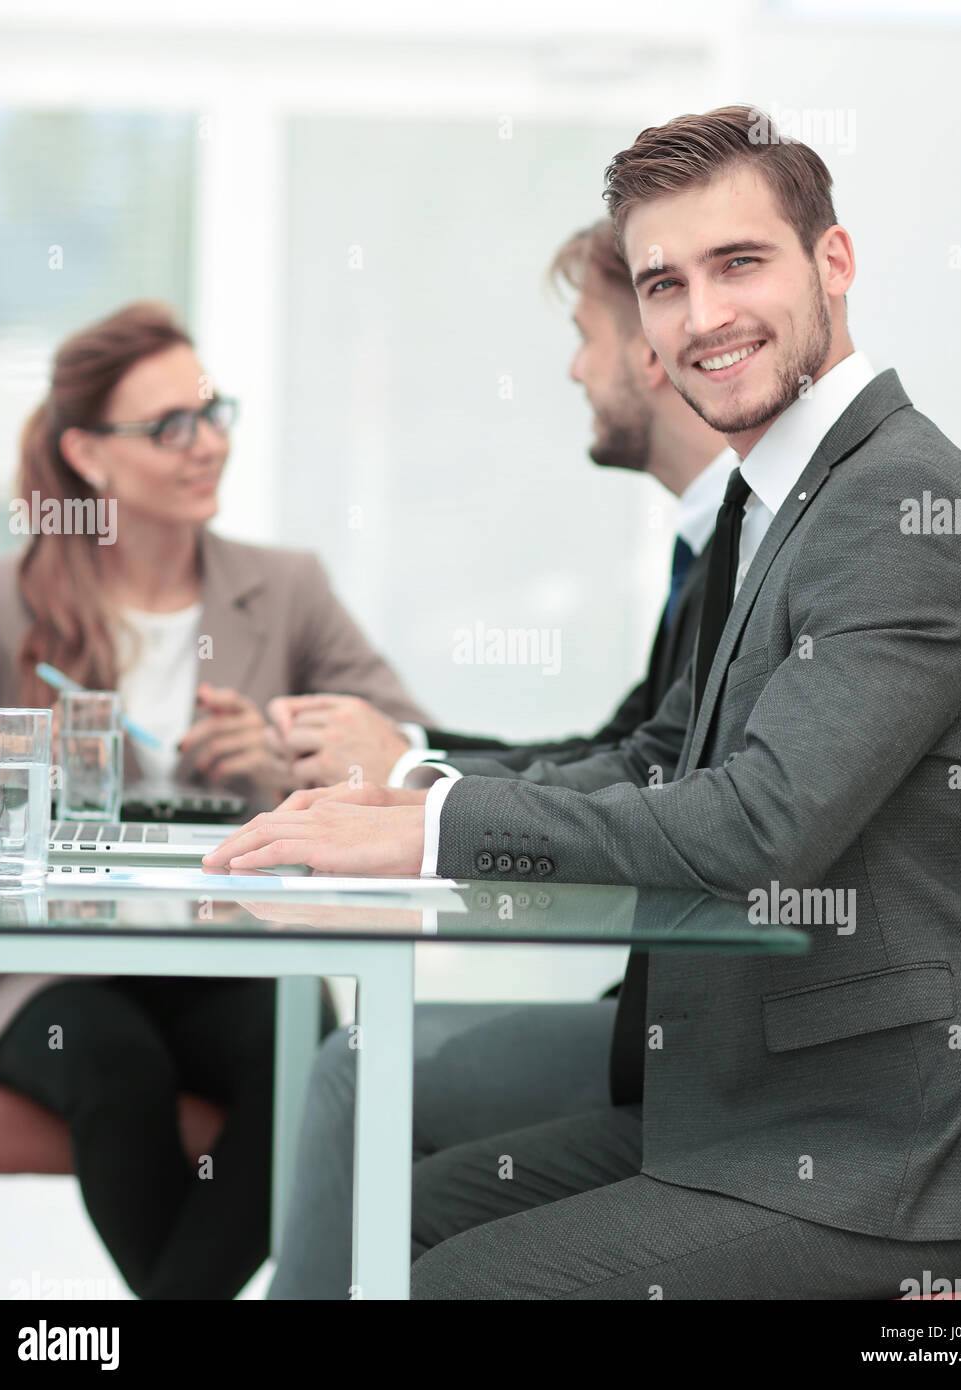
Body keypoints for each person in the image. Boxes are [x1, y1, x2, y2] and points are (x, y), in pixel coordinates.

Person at [207, 105, 961, 1299]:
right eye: (664, 283)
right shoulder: (782, 503)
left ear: (834, 263)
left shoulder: (903, 505)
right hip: (750, 1106)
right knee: (396, 1225)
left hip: (900, 1147)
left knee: (462, 1283)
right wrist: (423, 791)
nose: (701, 317)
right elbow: (660, 759)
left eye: (738, 263)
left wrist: (436, 827)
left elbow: (762, 827)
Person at [265, 219, 729, 1299]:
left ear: (653, 352)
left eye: (584, 335)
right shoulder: (715, 547)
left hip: (705, 1047)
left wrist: (418, 785)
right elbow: (633, 748)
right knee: (356, 1080)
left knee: (357, 1074)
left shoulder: (754, 552)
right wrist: (417, 764)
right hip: (665, 1016)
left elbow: (655, 778)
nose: (572, 366)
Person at [0, 301, 428, 1299]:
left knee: (306, 1052)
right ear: (88, 455)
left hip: (234, 941)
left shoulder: (285, 587)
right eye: (171, 425)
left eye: (213, 411)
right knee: (114, 1067)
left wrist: (277, 760)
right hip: (58, 965)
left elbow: (409, 753)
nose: (208, 441)